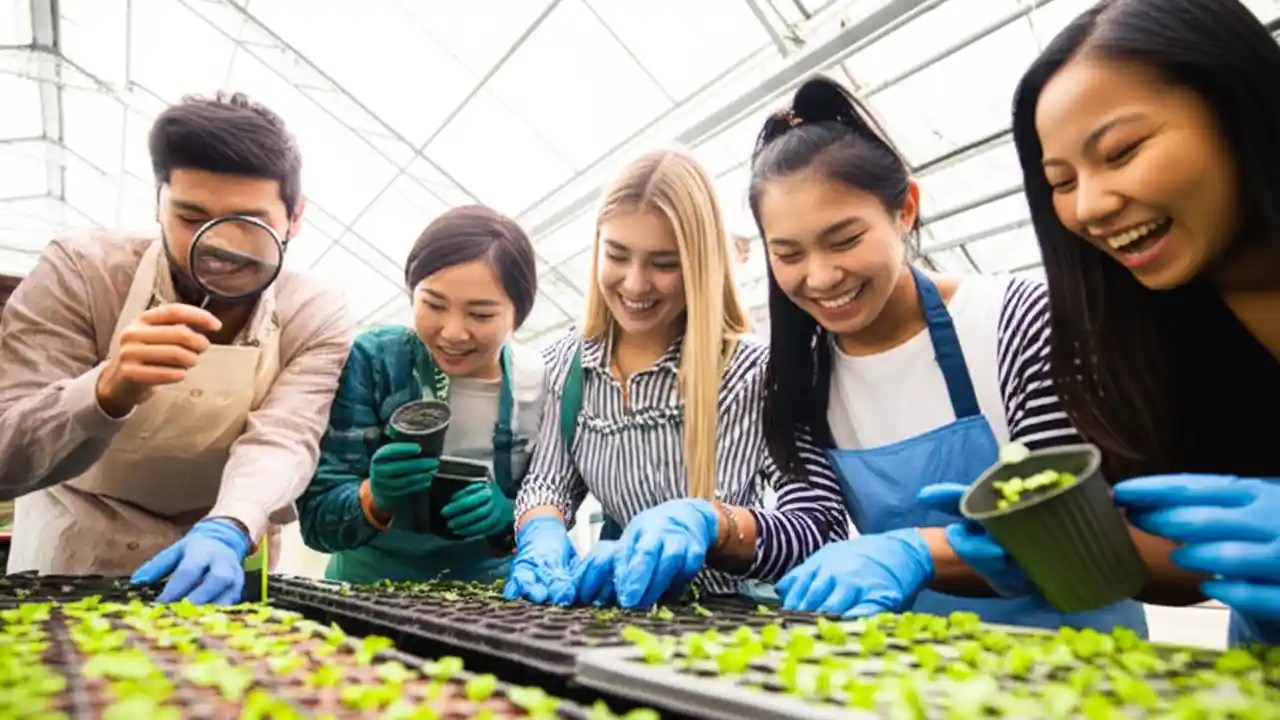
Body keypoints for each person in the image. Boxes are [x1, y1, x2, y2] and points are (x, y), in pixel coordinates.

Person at [748, 76, 1202, 634]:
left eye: (844, 240)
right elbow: (809, 531)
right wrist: (718, 528)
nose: (819, 276)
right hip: (926, 671)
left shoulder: (1015, 324)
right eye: (788, 253)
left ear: (905, 209)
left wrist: (921, 551)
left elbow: (1082, 539)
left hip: (1084, 665)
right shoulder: (802, 377)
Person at [0, 92, 354, 604]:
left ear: (294, 218)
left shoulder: (312, 311)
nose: (220, 246)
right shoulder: (83, 273)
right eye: (191, 217)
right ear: (157, 203)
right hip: (75, 548)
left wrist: (230, 526)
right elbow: (7, 454)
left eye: (248, 222)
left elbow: (285, 437)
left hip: (224, 554)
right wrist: (104, 391)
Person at [1009, 0, 1279, 645]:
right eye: (1061, 180)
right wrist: (1040, 550)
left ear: (1238, 107)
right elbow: (1186, 568)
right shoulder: (1155, 340)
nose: (1092, 206)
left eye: (1122, 150)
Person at [507, 148, 848, 608]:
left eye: (664, 263)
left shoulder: (761, 375)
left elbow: (819, 526)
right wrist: (542, 533)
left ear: (701, 262)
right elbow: (548, 482)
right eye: (617, 255)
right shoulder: (570, 368)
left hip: (732, 625)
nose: (634, 284)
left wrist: (716, 525)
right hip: (624, 616)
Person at [296, 205, 546, 584]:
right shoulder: (374, 363)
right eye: (433, 304)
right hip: (367, 589)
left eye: (480, 315)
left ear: (518, 315)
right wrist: (372, 497)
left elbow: (556, 510)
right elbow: (317, 522)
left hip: (490, 596)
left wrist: (511, 515)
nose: (453, 332)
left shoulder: (537, 385)